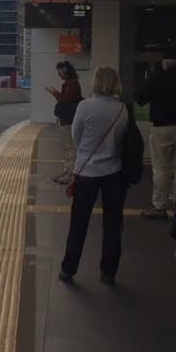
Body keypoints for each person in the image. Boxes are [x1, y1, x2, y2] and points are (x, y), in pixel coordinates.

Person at [58, 66, 132, 286]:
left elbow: (77, 139)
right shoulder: (122, 109)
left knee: (79, 223)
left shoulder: (84, 106)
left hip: (87, 173)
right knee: (112, 224)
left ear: (96, 82)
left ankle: (68, 270)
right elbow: (122, 141)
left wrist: (88, 155)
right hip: (114, 173)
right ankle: (108, 272)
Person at [135, 52, 176, 219]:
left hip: (163, 128)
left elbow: (140, 97)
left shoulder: (159, 76)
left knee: (162, 168)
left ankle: (159, 206)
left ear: (167, 62)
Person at [46, 61, 82, 185]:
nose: (59, 74)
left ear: (66, 71)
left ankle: (70, 174)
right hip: (65, 120)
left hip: (68, 120)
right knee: (66, 148)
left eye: (60, 71)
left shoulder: (72, 84)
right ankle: (67, 170)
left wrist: (55, 93)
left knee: (70, 148)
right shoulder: (69, 84)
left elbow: (66, 100)